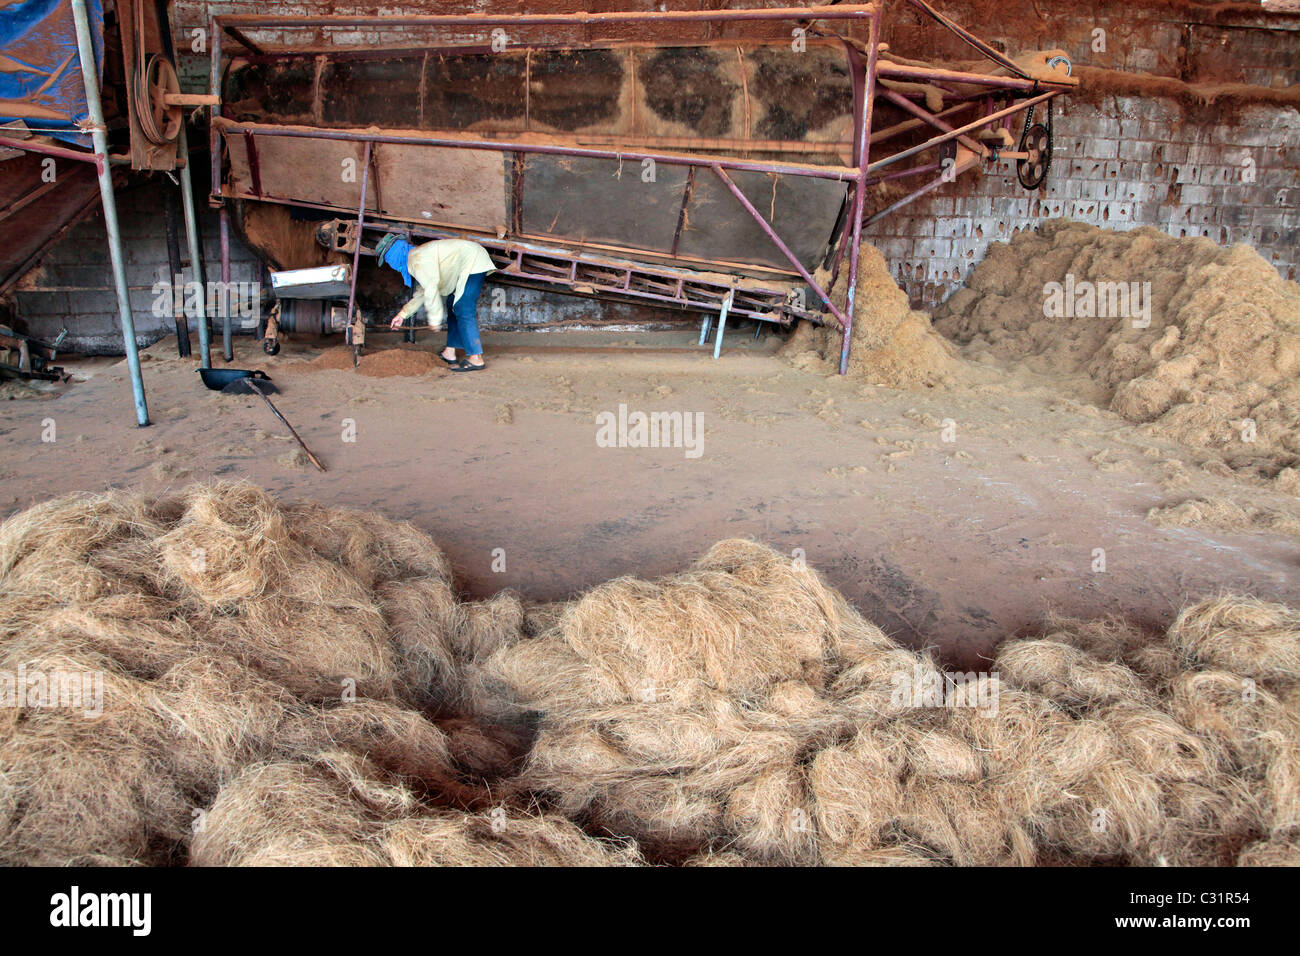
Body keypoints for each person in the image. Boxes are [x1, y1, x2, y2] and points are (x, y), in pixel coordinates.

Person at [378, 233, 496, 371]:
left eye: (388, 260)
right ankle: (449, 352)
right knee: (452, 305)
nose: (391, 264)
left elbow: (431, 289)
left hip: (473, 260)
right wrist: (402, 315)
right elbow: (422, 292)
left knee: (463, 307)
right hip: (469, 260)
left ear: (394, 254)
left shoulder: (416, 260)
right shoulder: (416, 257)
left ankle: (476, 358)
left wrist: (434, 320)